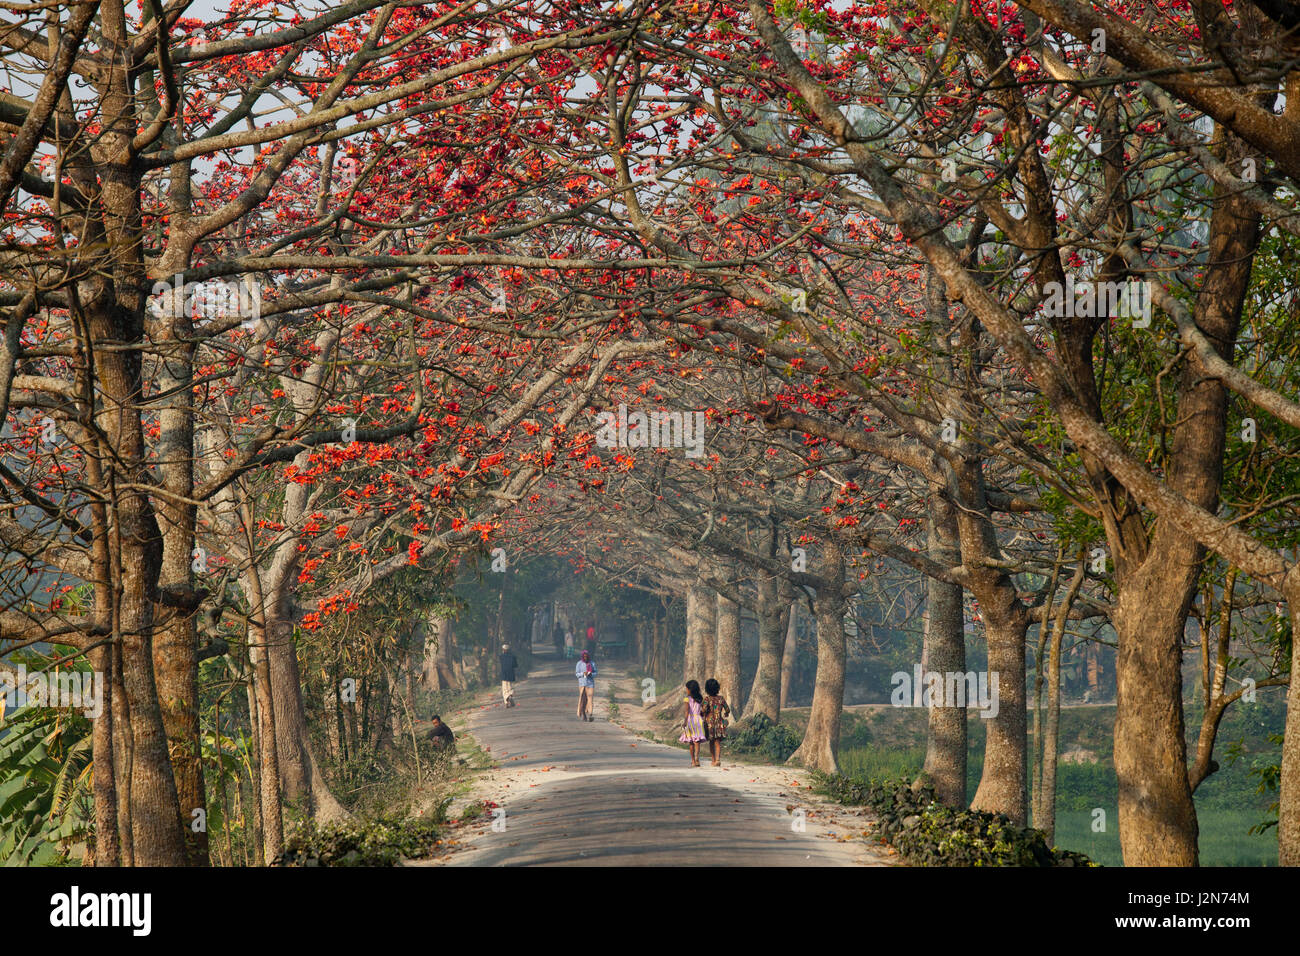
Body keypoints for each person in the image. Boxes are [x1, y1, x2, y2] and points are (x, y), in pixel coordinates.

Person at [702, 678, 731, 767]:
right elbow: (727, 709)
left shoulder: (707, 699)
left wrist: (703, 713)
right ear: (717, 688)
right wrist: (726, 713)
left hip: (710, 724)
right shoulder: (721, 698)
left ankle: (713, 760)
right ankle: (718, 759)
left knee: (711, 742)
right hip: (719, 723)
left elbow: (703, 710)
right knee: (717, 742)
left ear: (707, 689)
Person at [679, 680, 707, 766]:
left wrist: (685, 722)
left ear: (690, 689)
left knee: (691, 742)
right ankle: (697, 759)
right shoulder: (700, 698)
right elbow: (703, 710)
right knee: (697, 741)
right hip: (698, 720)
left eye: (687, 689)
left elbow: (687, 711)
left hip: (690, 720)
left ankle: (693, 761)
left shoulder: (687, 699)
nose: (686, 690)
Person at [575, 650, 597, 721]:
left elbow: (595, 673)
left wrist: (591, 674)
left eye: (586, 656)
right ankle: (583, 714)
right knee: (583, 700)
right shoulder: (579, 663)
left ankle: (590, 714)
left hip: (590, 684)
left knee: (590, 699)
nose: (585, 658)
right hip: (582, 684)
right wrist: (583, 674)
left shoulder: (592, 663)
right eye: (584, 657)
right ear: (582, 657)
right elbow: (577, 674)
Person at [499, 643, 518, 707]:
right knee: (510, 687)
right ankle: (510, 695)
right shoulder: (513, 656)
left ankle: (506, 701)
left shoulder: (501, 656)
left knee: (504, 688)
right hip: (511, 674)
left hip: (504, 674)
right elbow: (515, 665)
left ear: (503, 649)